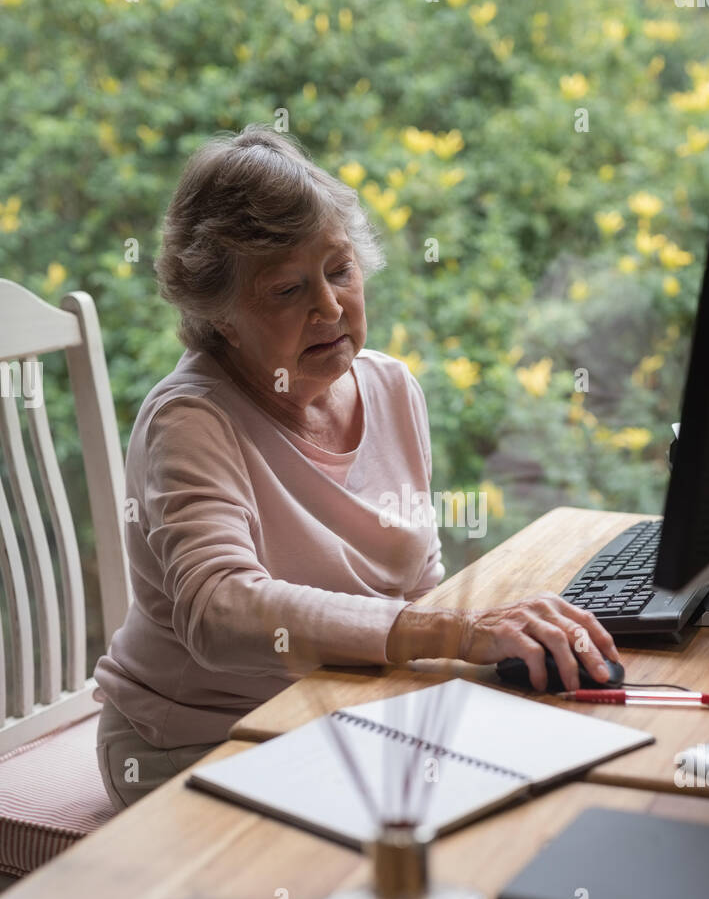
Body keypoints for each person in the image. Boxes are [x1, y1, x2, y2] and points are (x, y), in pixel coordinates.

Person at [95, 125, 618, 808]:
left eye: (339, 270)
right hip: (203, 742)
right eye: (287, 290)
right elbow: (218, 610)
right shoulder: (191, 420)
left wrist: (493, 642)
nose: (331, 306)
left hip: (347, 712)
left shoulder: (392, 389)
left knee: (558, 768)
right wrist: (452, 631)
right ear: (220, 316)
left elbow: (417, 584)